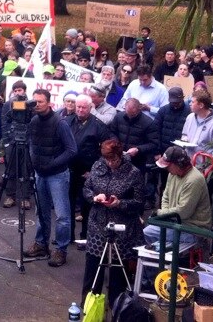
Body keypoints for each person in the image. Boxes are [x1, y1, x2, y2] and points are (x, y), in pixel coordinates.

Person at [81, 138, 144, 306]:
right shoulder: (97, 166)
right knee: (93, 271)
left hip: (121, 230)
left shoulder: (133, 173)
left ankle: (116, 308)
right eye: (107, 159)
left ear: (120, 155)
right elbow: (86, 188)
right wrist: (94, 197)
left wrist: (120, 203)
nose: (110, 163)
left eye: (113, 159)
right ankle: (88, 308)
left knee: (117, 276)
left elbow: (139, 203)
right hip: (97, 225)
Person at [25, 88, 77, 268]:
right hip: (40, 173)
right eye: (34, 101)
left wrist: (52, 163)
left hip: (57, 175)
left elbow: (72, 150)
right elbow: (31, 143)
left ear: (49, 103)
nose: (36, 105)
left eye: (40, 102)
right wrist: (33, 160)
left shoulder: (60, 123)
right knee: (41, 212)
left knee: (62, 215)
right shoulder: (33, 121)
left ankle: (61, 249)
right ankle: (41, 244)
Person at [143, 145, 212, 248]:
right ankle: (161, 254)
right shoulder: (173, 173)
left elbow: (183, 212)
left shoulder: (194, 179)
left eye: (168, 165)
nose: (166, 168)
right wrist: (164, 215)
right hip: (176, 222)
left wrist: (160, 213)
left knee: (148, 232)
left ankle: (164, 256)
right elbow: (165, 196)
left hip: (193, 230)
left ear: (178, 164)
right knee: (150, 229)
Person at [66, 94, 112, 242]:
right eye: (78, 107)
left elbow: (105, 151)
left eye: (83, 107)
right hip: (68, 170)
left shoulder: (99, 126)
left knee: (87, 206)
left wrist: (94, 171)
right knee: (68, 204)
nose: (80, 110)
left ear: (90, 107)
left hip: (87, 173)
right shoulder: (67, 121)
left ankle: (85, 236)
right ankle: (68, 235)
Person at [1, 80, 33, 210]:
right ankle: (10, 196)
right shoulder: (8, 104)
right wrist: (6, 142)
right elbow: (4, 123)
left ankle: (25, 198)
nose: (18, 93)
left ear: (24, 91)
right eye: (15, 91)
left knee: (26, 170)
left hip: (26, 140)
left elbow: (32, 121)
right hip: (11, 140)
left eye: (20, 90)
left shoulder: (30, 104)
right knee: (11, 170)